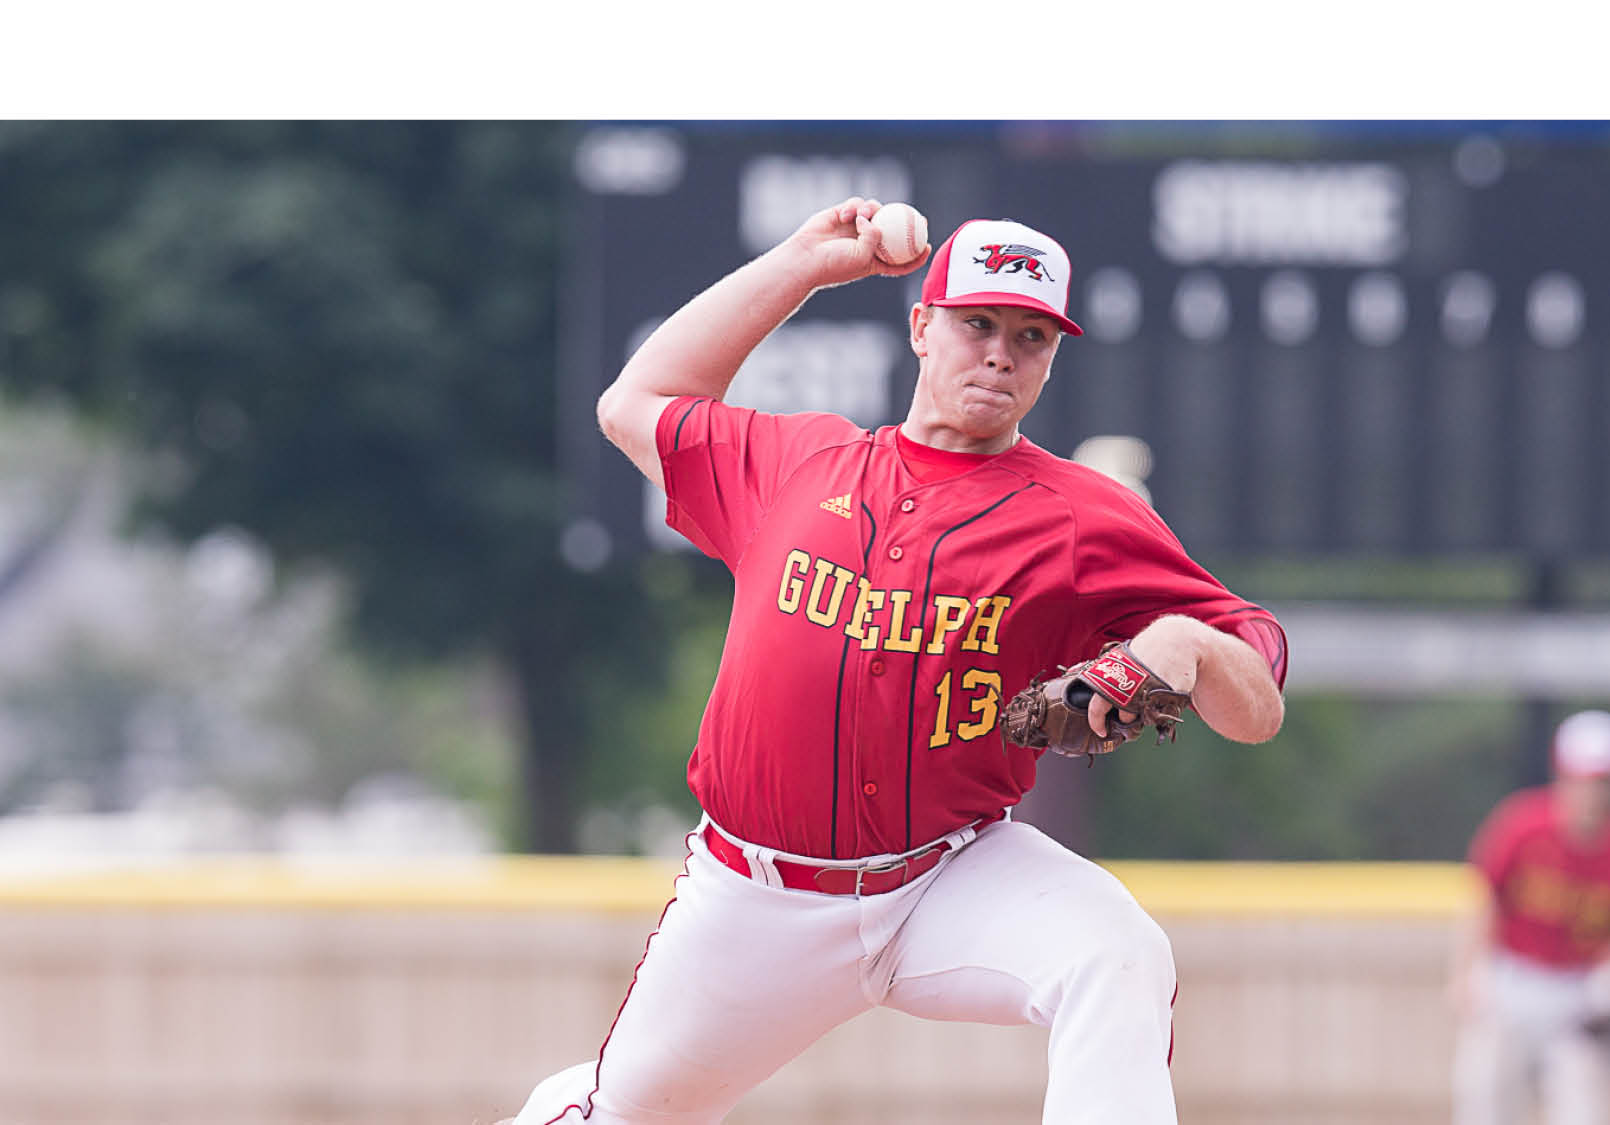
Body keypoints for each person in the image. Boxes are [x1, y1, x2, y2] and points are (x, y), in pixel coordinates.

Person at [502, 198, 1288, 1125]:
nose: (1000, 352)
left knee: (1116, 951)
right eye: (977, 323)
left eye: (1031, 336)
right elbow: (632, 403)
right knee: (619, 1112)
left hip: (948, 875)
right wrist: (800, 263)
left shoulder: (1085, 517)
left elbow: (1258, 708)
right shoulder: (802, 464)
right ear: (922, 326)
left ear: (1052, 356)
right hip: (755, 902)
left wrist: (1192, 644)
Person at [1449, 710, 1610, 1125]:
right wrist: (1467, 971)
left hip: (1577, 993)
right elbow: (1484, 900)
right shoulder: (1523, 825)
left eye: (1603, 781)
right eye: (1583, 779)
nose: (1592, 793)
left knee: (1585, 1111)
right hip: (1512, 979)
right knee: (1485, 1104)